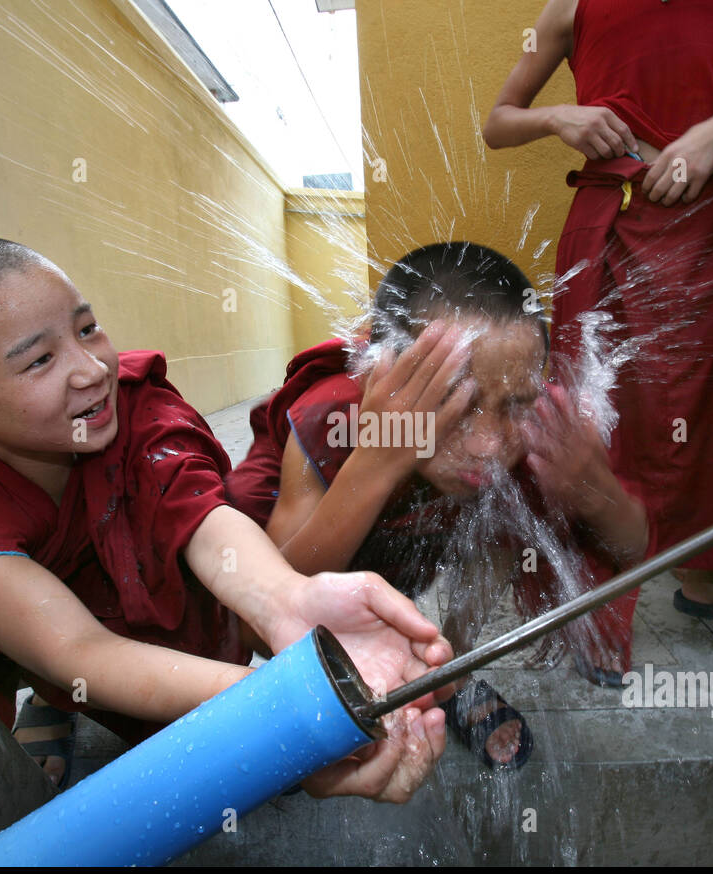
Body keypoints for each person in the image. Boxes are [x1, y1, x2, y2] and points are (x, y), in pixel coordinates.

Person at [0, 235, 452, 799]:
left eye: (87, 329)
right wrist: (279, 702)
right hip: (32, 625)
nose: (91, 370)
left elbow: (202, 519)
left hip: (91, 620)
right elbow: (77, 649)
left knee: (175, 594)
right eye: (40, 360)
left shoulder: (136, 407)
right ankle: (52, 698)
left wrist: (286, 600)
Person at [227, 242, 649, 768]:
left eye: (515, 404)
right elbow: (256, 621)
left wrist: (596, 491)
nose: (489, 444)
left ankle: (453, 665)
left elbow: (635, 548)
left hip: (423, 528)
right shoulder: (339, 415)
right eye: (458, 403)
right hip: (330, 539)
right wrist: (376, 463)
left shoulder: (533, 425)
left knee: (506, 514)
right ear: (386, 379)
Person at [482, 0, 713, 683]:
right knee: (599, 419)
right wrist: (558, 117)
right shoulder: (570, 6)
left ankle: (708, 580)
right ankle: (594, 600)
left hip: (705, 224)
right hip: (608, 226)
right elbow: (497, 123)